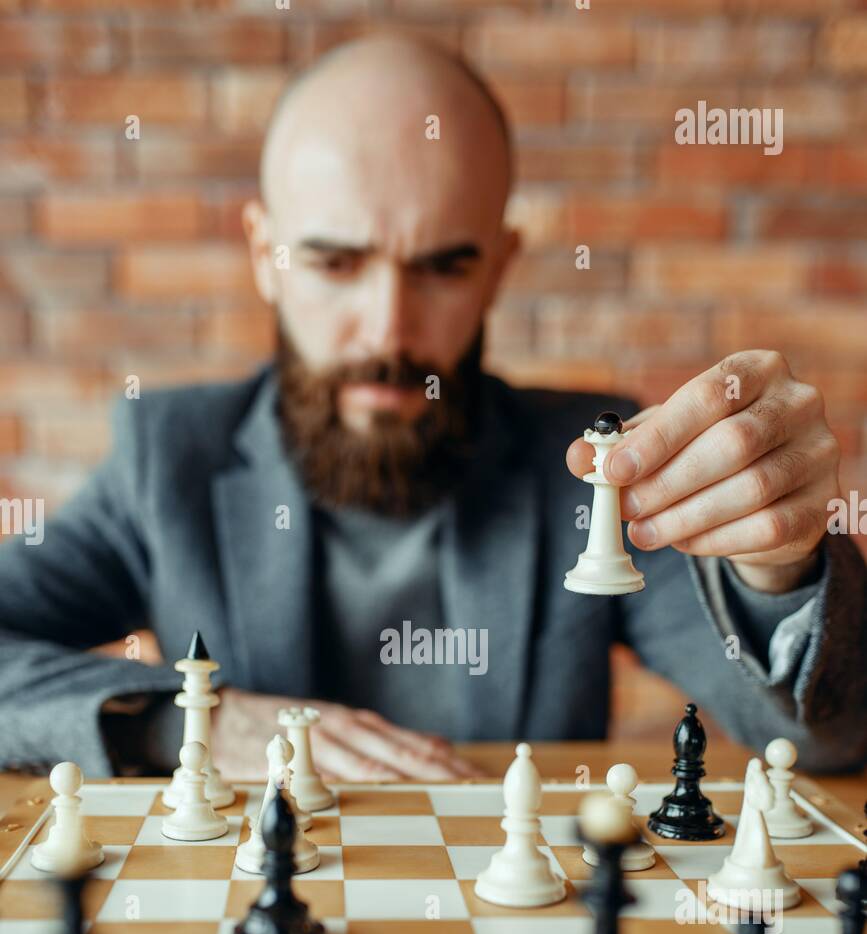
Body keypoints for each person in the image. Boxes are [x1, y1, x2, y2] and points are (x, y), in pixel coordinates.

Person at [0, 35, 864, 782]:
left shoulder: (588, 461)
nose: (389, 329)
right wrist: (196, 721)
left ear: (497, 267)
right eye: (336, 264)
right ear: (265, 255)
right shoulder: (168, 458)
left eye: (443, 267)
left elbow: (823, 740)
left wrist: (780, 566)